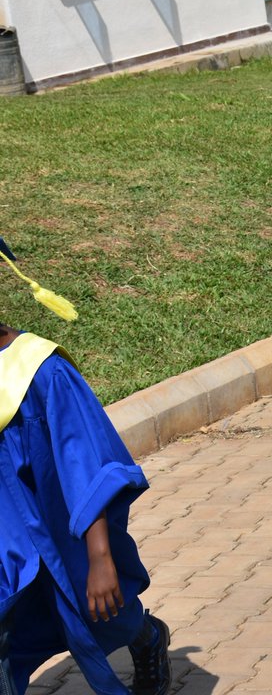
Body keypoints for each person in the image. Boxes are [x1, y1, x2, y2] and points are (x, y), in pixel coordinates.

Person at [0, 240, 171, 695]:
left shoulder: (38, 371)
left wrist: (99, 557)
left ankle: (147, 637)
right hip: (3, 542)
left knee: (98, 612)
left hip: (55, 527)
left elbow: (85, 464)